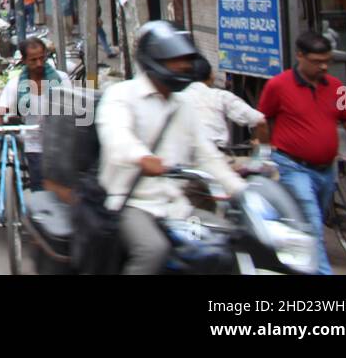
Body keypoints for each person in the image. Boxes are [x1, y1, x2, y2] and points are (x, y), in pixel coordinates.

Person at [96, 21, 247, 275]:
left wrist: (240, 190)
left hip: (175, 206)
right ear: (154, 60)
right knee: (153, 250)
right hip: (131, 203)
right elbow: (116, 135)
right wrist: (141, 157)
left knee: (225, 242)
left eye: (187, 60)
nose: (184, 66)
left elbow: (206, 154)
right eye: (175, 60)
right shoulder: (121, 96)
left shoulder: (183, 105)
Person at [256, 30, 346, 275]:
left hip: (326, 168)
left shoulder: (338, 88)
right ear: (300, 56)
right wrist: (266, 149)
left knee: (309, 221)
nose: (324, 66)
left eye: (327, 61)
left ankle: (294, 260)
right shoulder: (278, 85)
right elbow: (262, 119)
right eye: (317, 62)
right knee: (312, 222)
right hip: (293, 166)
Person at [0, 38, 66, 190]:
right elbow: (0, 112)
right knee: (41, 189)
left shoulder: (61, 79)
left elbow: (74, 109)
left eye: (42, 58)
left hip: (60, 143)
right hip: (35, 143)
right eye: (33, 60)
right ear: (24, 60)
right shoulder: (15, 84)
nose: (39, 64)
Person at [181, 55, 265, 154]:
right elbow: (259, 120)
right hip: (216, 155)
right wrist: (260, 145)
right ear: (211, 76)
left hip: (183, 157)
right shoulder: (220, 96)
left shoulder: (176, 98)